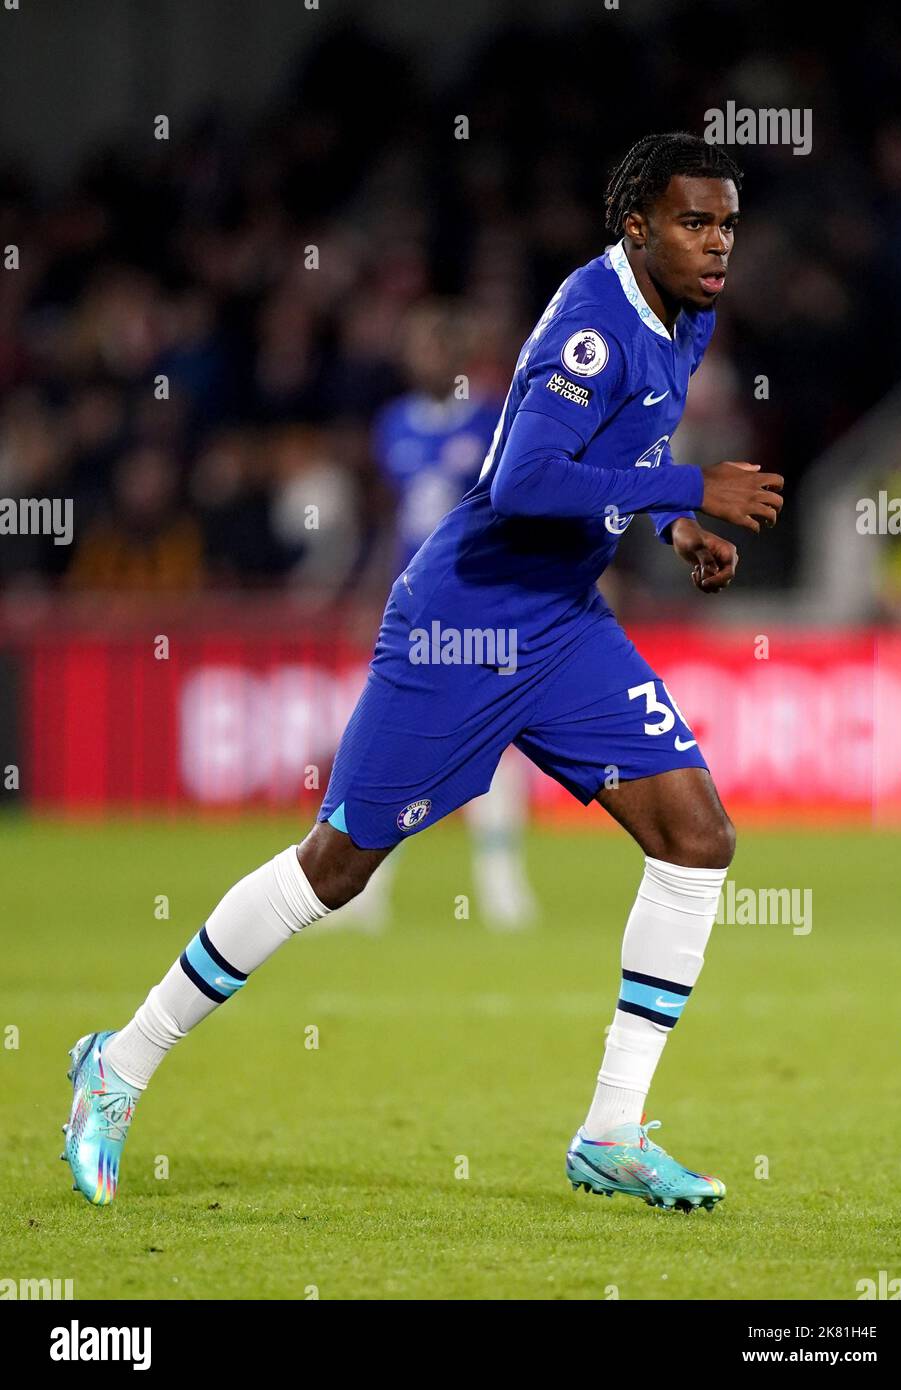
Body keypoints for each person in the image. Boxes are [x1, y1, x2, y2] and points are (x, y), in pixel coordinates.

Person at [63, 131, 783, 1211]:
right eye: (694, 221)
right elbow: (527, 482)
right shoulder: (592, 326)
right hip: (469, 617)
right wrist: (693, 483)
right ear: (636, 226)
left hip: (563, 621)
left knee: (698, 835)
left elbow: (607, 463)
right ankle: (117, 1065)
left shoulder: (689, 314)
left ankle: (612, 1128)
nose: (717, 242)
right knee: (335, 867)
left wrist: (672, 522)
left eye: (727, 221)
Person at [345, 298, 536, 930]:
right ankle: (363, 892)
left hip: (480, 607)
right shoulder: (393, 425)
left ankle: (502, 887)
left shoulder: (490, 423)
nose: (423, 358)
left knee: (493, 739)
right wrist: (369, 593)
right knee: (396, 743)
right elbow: (389, 521)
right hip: (413, 609)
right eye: (416, 347)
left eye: (435, 346)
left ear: (457, 355)